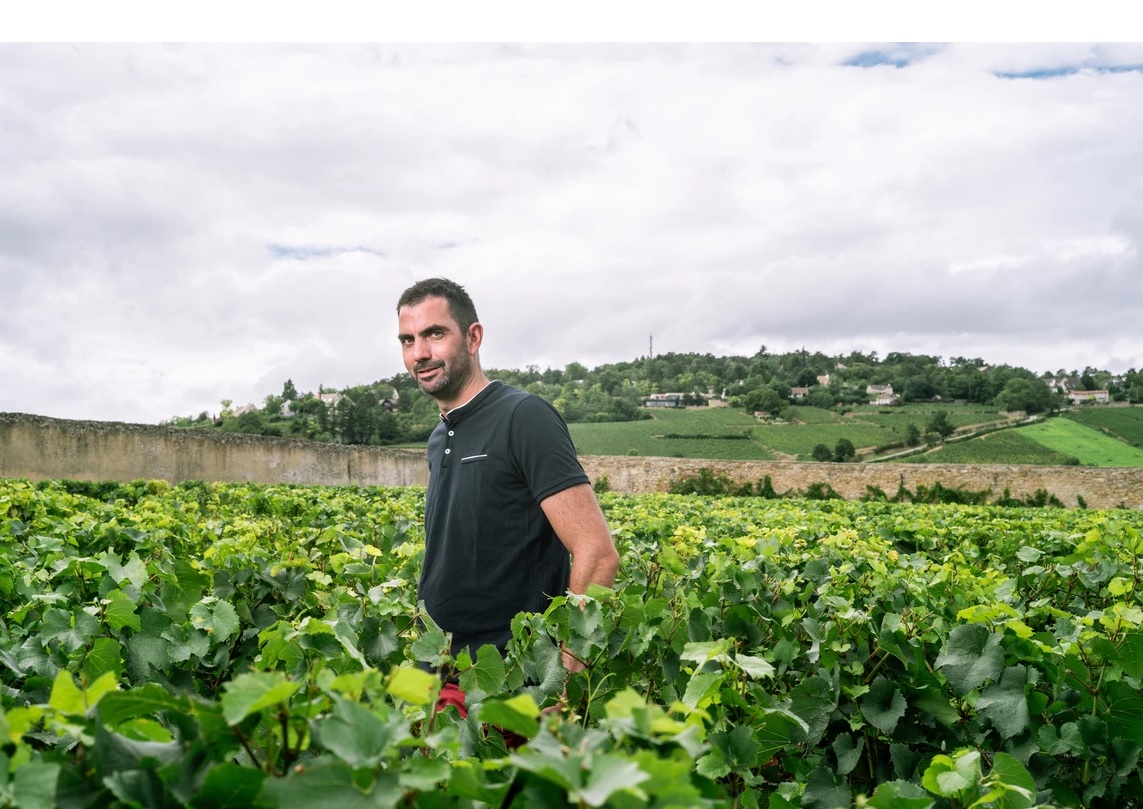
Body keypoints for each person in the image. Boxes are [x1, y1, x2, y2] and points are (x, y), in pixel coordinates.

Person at [396, 277, 619, 680]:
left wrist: (563, 679)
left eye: (435, 334)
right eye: (408, 340)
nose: (420, 353)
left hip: (511, 679)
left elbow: (598, 553)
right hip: (441, 670)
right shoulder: (438, 437)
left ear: (473, 337)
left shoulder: (524, 417)